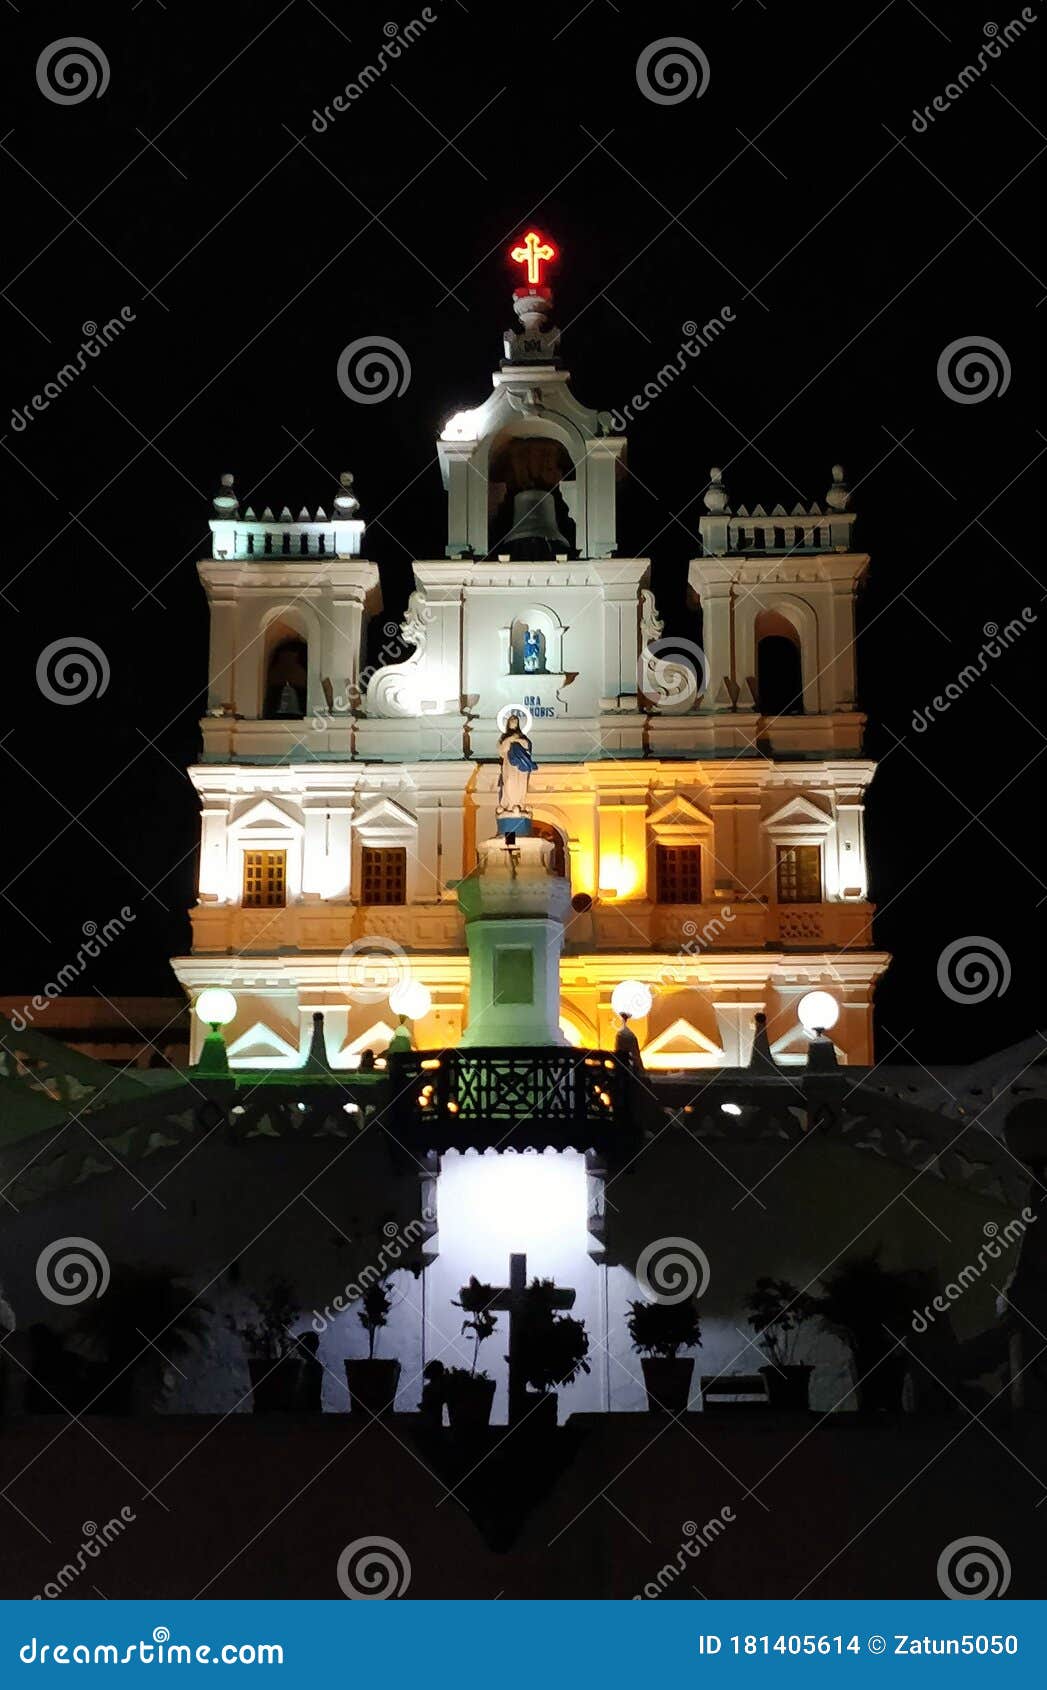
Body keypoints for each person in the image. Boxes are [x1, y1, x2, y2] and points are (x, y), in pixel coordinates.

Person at [497, 713, 537, 816]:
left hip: (520, 767)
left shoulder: (522, 737)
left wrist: (517, 740)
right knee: (509, 781)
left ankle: (519, 803)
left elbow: (527, 746)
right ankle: (510, 804)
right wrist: (511, 739)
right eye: (511, 720)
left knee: (520, 783)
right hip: (509, 765)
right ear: (508, 723)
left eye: (515, 720)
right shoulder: (504, 737)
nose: (513, 721)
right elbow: (502, 750)